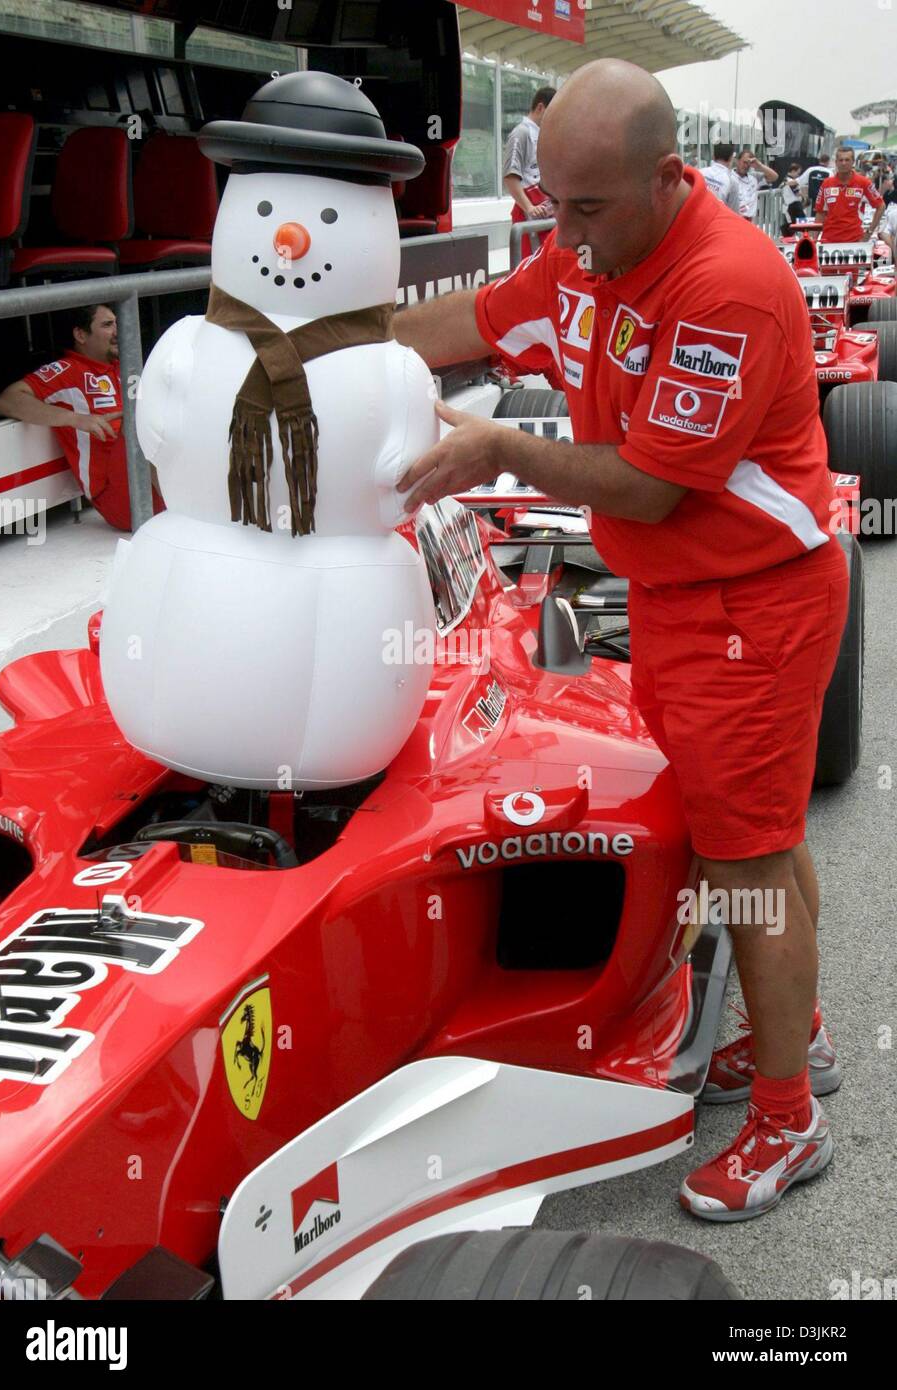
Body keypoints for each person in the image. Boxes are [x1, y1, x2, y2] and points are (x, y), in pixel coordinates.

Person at [393, 57, 847, 1223]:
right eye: (552, 204)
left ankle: (790, 1120)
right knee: (750, 834)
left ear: (669, 175)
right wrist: (336, 351)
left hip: (754, 607)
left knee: (746, 854)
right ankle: (796, 1023)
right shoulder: (589, 246)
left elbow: (646, 487)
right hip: (684, 597)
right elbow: (471, 319)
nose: (566, 234)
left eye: (589, 209)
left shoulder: (726, 284)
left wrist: (498, 448)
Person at [0, 304, 164, 531]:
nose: (118, 331)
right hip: (119, 498)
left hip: (151, 488)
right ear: (81, 335)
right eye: (107, 325)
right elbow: (6, 401)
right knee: (139, 420)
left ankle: (192, 503)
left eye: (118, 323)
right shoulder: (67, 370)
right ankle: (186, 509)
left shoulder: (127, 368)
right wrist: (77, 419)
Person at [503, 86, 557, 262]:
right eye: (552, 112)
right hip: (531, 218)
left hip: (546, 217)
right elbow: (510, 176)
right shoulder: (522, 133)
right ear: (540, 107)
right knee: (532, 268)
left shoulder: (544, 135)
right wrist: (529, 208)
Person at [816, 146, 883, 243]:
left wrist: (868, 233)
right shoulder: (826, 184)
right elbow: (820, 214)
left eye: (847, 160)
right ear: (836, 162)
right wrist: (812, 240)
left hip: (855, 241)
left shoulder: (864, 182)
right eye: (841, 160)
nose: (844, 163)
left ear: (853, 162)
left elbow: (881, 206)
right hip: (829, 241)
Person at [730, 149, 778, 222]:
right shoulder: (728, 176)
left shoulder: (754, 177)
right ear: (737, 161)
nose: (746, 166)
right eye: (744, 162)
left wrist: (759, 165)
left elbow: (774, 177)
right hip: (732, 218)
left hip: (748, 220)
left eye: (749, 163)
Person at [701, 143, 740, 213]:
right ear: (731, 158)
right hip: (716, 220)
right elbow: (733, 212)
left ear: (713, 156)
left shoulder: (700, 172)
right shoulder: (732, 181)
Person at [780, 161, 806, 233]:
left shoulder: (784, 181)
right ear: (793, 171)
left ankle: (785, 233)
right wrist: (804, 196)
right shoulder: (791, 181)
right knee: (803, 224)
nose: (798, 175)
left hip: (789, 205)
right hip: (795, 205)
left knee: (793, 224)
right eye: (798, 173)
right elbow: (797, 193)